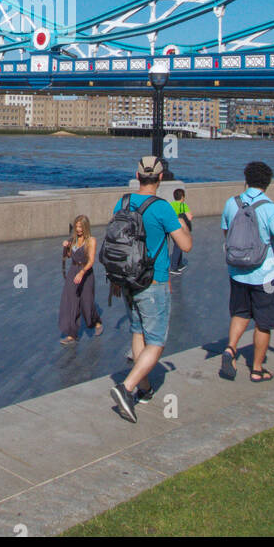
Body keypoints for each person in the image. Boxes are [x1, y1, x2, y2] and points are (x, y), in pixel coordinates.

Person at [108, 156, 193, 423]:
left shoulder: (122, 202)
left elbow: (117, 242)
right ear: (160, 178)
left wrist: (116, 279)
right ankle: (127, 387)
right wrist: (184, 223)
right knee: (156, 341)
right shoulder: (163, 208)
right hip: (153, 282)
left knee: (137, 331)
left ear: (137, 175)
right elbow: (186, 245)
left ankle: (144, 390)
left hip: (127, 280)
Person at [218, 161, 274, 385]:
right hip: (265, 274)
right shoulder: (271, 208)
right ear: (268, 183)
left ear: (247, 180)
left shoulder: (231, 203)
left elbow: (227, 232)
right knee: (264, 322)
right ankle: (257, 368)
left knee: (240, 313)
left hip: (237, 271)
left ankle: (230, 349)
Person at [59, 214, 103, 343]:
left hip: (85, 272)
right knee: (71, 302)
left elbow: (91, 261)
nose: (78, 229)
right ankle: (71, 334)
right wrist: (66, 247)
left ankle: (96, 322)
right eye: (76, 226)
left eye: (80, 227)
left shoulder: (91, 241)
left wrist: (82, 273)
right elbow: (68, 256)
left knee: (86, 303)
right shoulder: (73, 239)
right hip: (73, 271)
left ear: (86, 227)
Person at [168, 188, 193, 274]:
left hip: (171, 227)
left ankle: (180, 264)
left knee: (179, 244)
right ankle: (174, 267)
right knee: (178, 246)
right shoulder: (183, 205)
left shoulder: (170, 205)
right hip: (180, 228)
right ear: (182, 197)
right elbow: (190, 217)